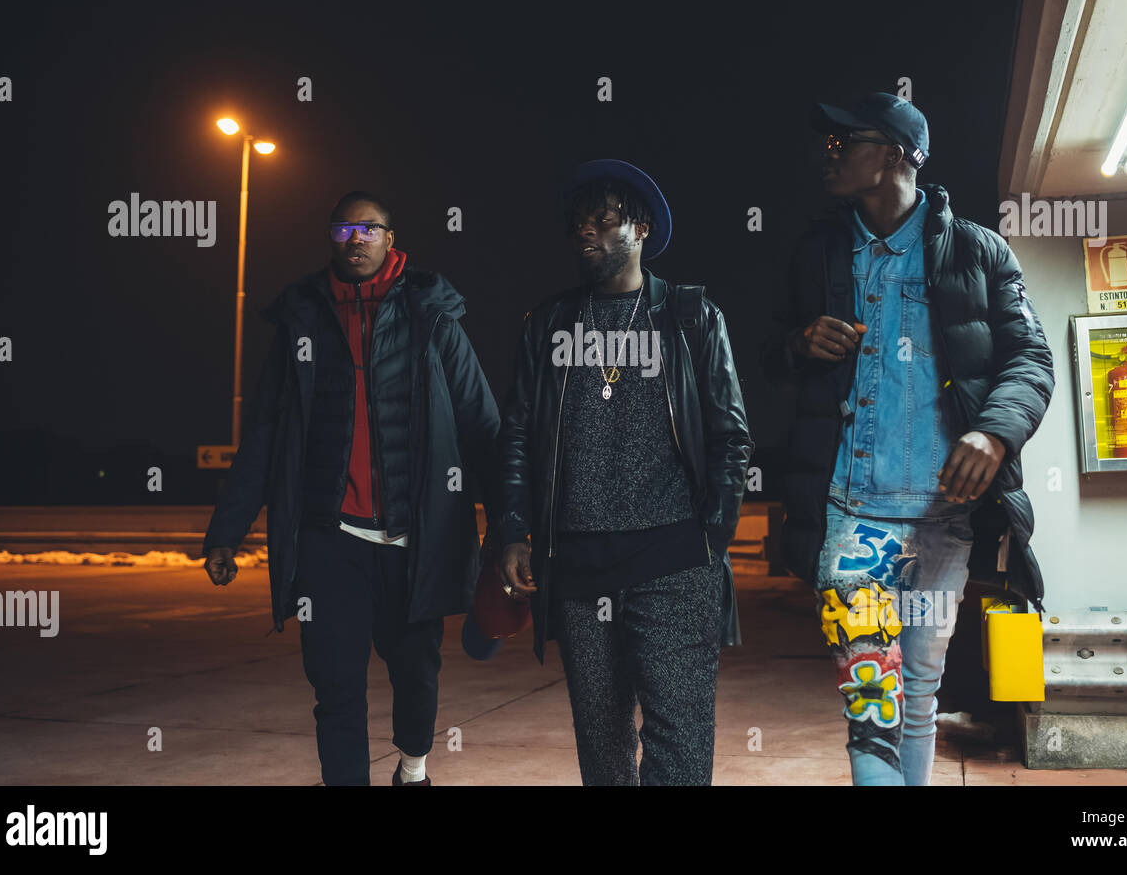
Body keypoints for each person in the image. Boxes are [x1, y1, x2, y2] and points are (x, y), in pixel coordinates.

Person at [763, 94, 1054, 785]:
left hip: (944, 518)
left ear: (894, 153)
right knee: (873, 700)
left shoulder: (978, 251)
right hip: (853, 512)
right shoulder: (818, 253)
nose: (828, 154)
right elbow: (768, 353)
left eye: (846, 141)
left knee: (919, 694)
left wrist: (994, 434)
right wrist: (799, 344)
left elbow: (1031, 359)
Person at [201, 191, 500, 786]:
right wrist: (226, 531)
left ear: (392, 240)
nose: (356, 239)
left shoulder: (431, 316)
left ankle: (413, 767)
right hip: (329, 539)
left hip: (416, 539)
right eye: (343, 230)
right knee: (335, 684)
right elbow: (263, 433)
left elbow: (481, 426)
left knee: (416, 675)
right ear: (331, 240)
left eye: (369, 229)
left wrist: (511, 528)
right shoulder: (302, 321)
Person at [495, 159, 753, 785]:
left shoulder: (691, 318)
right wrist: (512, 529)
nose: (587, 234)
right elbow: (518, 434)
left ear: (639, 229)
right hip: (580, 564)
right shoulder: (551, 323)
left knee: (680, 738)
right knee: (602, 743)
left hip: (673, 558)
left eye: (602, 222)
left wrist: (709, 540)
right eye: (579, 225)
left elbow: (730, 437)